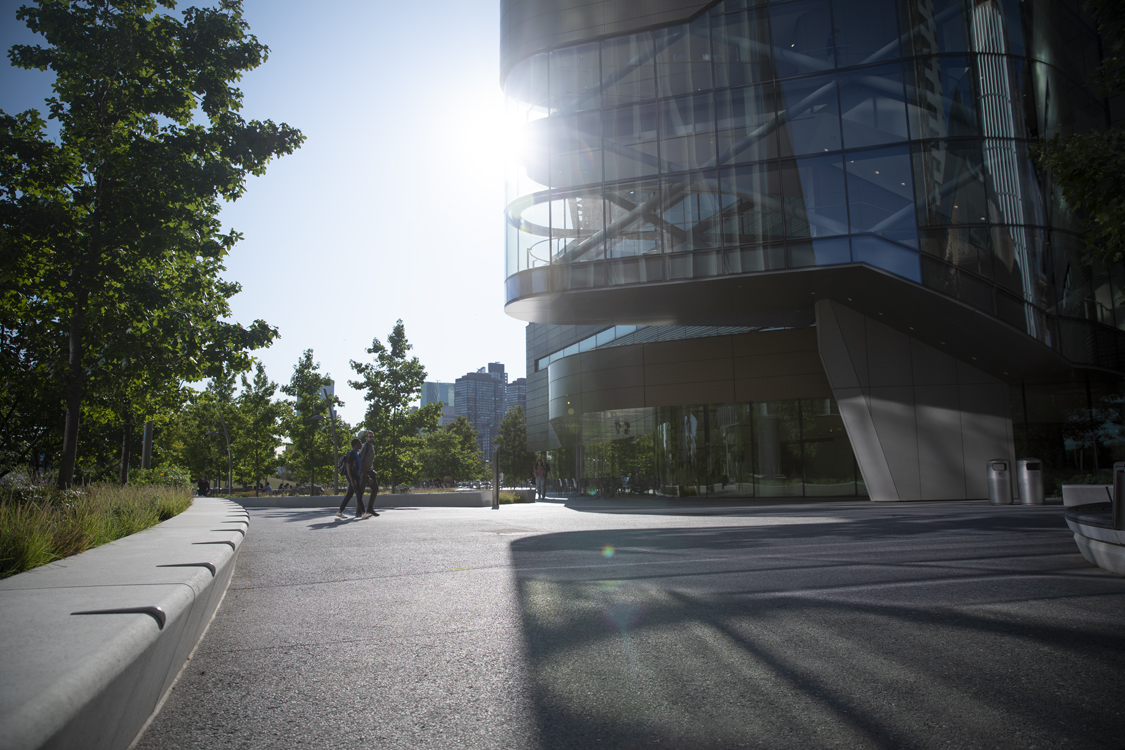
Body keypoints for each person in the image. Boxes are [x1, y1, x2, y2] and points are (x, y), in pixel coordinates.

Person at [336, 439, 364, 519]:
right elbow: (348, 467)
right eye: (360, 443)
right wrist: (351, 480)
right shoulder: (350, 454)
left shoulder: (357, 454)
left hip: (356, 476)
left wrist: (365, 475)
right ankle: (363, 513)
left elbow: (360, 466)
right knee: (358, 493)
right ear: (355, 444)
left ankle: (339, 511)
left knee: (349, 494)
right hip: (352, 476)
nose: (361, 444)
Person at [356, 430, 379, 518]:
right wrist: (363, 472)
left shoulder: (371, 446)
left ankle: (370, 508)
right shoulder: (365, 446)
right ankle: (359, 511)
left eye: (372, 436)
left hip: (370, 470)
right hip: (363, 472)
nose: (371, 438)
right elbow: (360, 460)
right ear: (366, 438)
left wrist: (371, 469)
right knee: (361, 491)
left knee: (375, 488)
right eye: (369, 437)